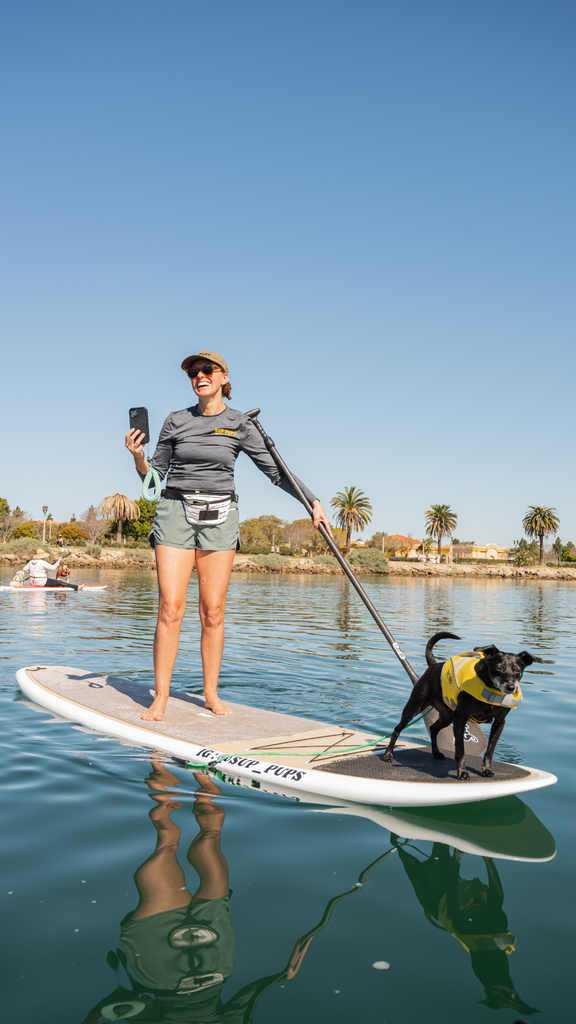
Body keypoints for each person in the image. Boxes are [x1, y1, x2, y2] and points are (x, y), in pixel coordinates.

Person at [125, 350, 332, 720]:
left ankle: (210, 694)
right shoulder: (175, 421)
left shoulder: (240, 424)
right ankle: (161, 697)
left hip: (221, 515)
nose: (199, 375)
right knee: (171, 608)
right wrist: (138, 457)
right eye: (193, 371)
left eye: (207, 370)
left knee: (213, 611)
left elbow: (276, 471)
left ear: (223, 378)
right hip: (175, 511)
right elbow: (152, 478)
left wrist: (311, 501)